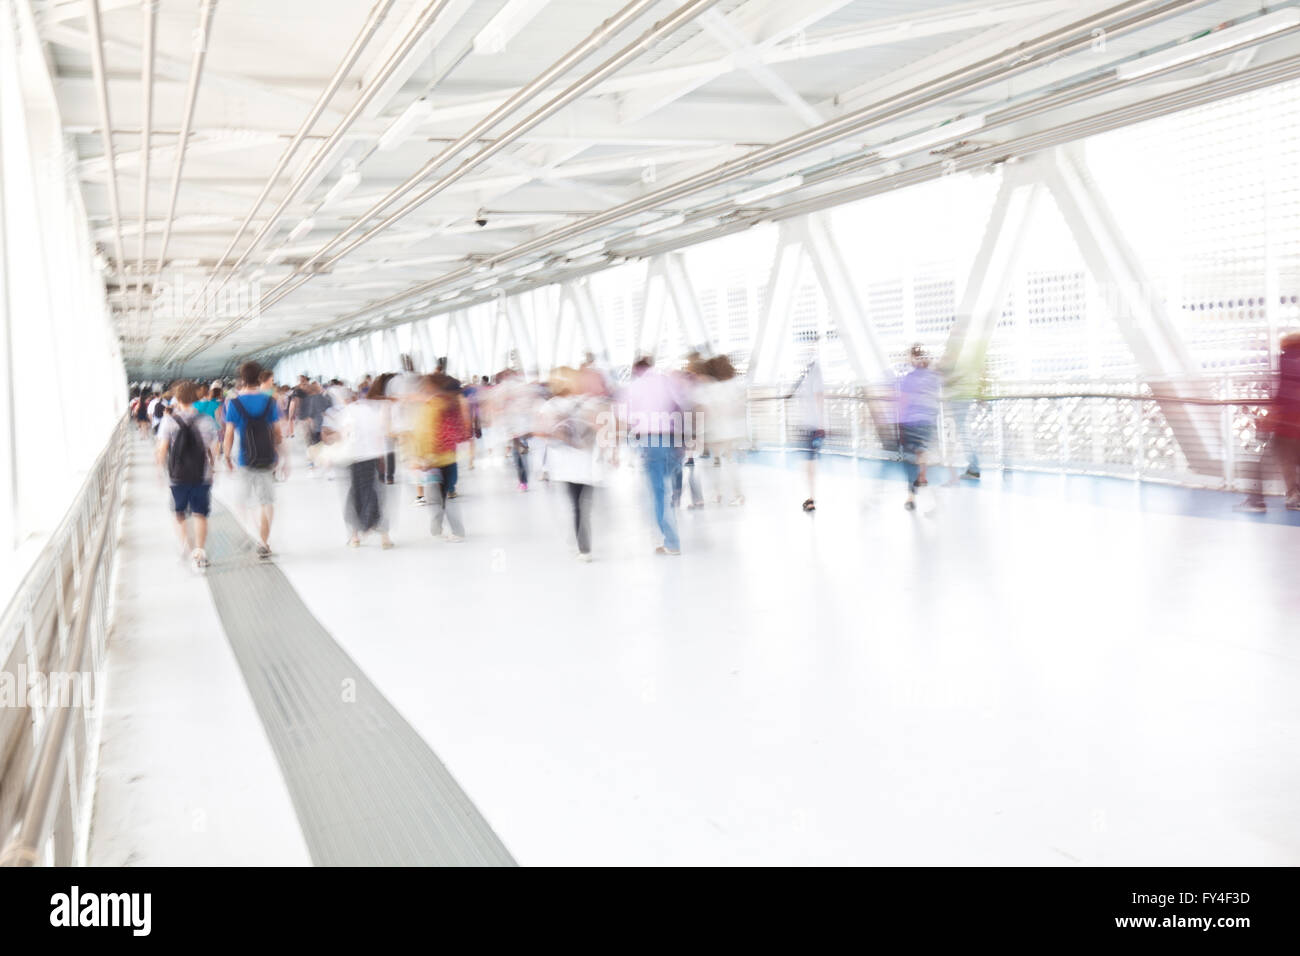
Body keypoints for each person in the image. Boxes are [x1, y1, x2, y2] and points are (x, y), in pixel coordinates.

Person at [538, 367, 605, 561]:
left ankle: (582, 547)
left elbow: (542, 432)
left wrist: (558, 436)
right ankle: (585, 547)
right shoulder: (586, 403)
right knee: (585, 506)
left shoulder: (549, 406)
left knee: (575, 505)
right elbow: (600, 427)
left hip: (564, 464)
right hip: (587, 461)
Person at [621, 356, 685, 555]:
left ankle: (671, 542)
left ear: (636, 369)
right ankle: (671, 533)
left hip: (651, 440)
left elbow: (626, 417)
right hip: (673, 438)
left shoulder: (635, 387)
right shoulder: (667, 381)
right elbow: (681, 406)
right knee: (668, 485)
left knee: (658, 492)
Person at [222, 361, 285, 558]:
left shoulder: (234, 403)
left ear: (242, 379)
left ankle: (254, 530)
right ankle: (264, 541)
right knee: (267, 502)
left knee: (242, 502)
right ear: (259, 378)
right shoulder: (270, 402)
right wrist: (279, 454)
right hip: (267, 458)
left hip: (244, 458)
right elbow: (277, 433)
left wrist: (226, 456)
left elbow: (229, 434)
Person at [156, 380, 220, 571]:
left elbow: (162, 450)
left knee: (180, 514)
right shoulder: (206, 420)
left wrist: (160, 471)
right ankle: (200, 551)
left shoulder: (169, 421)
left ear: (177, 398)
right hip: (202, 474)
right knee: (200, 514)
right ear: (195, 397)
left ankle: (187, 547)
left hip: (177, 475)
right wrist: (213, 467)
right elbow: (215, 448)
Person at [406, 374, 468, 541]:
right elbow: (460, 433)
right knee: (442, 495)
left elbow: (425, 433)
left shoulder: (434, 406)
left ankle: (454, 530)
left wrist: (423, 457)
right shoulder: (453, 406)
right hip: (449, 458)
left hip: (435, 459)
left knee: (437, 497)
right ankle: (439, 526)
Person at [340, 373, 394, 548]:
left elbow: (345, 435)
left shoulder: (350, 411)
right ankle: (384, 537)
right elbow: (382, 434)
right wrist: (381, 457)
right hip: (372, 457)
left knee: (356, 494)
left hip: (355, 457)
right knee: (376, 493)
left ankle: (356, 535)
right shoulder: (376, 408)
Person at [696, 354, 747, 505]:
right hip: (732, 431)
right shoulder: (734, 385)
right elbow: (740, 408)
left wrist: (700, 433)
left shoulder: (711, 388)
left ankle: (717, 493)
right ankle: (737, 495)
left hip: (716, 431)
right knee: (730, 462)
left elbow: (705, 410)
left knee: (716, 462)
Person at [898, 344, 942, 511]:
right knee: (923, 452)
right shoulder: (934, 377)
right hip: (929, 421)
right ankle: (923, 476)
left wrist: (900, 423)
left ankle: (911, 496)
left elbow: (903, 401)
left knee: (910, 459)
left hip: (911, 421)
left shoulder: (909, 378)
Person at [789, 348, 825, 512]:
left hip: (805, 423)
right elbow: (818, 395)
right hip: (810, 423)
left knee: (808, 462)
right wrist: (821, 424)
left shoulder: (805, 370)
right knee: (810, 462)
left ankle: (810, 497)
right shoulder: (814, 369)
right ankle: (810, 497)